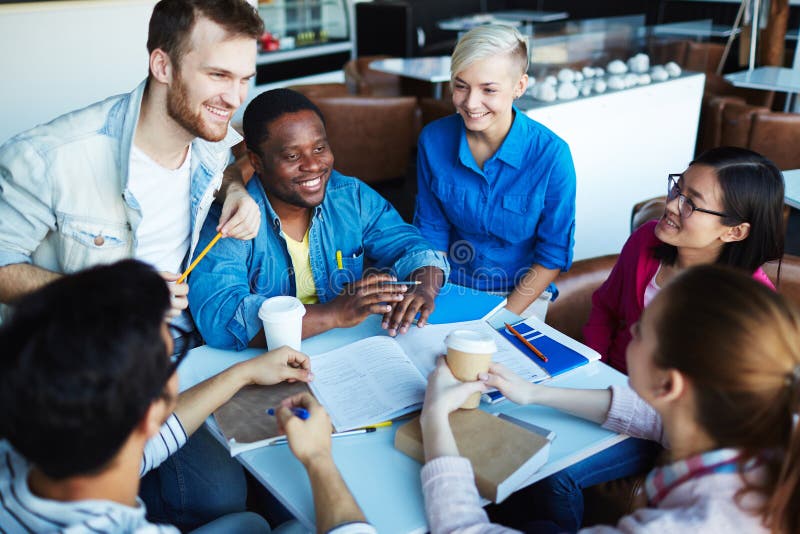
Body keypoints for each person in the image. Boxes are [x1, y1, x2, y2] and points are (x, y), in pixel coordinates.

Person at [0, 0, 266, 527]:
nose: (233, 98)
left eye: (244, 79)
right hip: (91, 372)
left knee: (228, 495)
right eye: (218, 75)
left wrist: (237, 192)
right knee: (215, 504)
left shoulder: (208, 130)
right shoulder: (49, 157)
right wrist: (114, 302)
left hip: (179, 351)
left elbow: (231, 156)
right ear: (162, 65)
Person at [419, 264, 800, 533]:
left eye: (643, 331)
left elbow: (463, 529)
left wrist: (434, 417)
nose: (632, 327)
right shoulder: (768, 429)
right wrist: (534, 392)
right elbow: (651, 416)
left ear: (668, 385)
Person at [0, 260, 315, 532]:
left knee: (252, 525)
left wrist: (243, 373)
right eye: (170, 359)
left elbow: (141, 443)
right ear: (151, 413)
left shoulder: (31, 453)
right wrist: (319, 461)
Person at [188, 89, 450, 350]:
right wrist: (333, 314)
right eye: (292, 156)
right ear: (257, 161)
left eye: (320, 148)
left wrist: (423, 288)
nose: (313, 165)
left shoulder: (350, 197)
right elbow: (221, 316)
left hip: (345, 352)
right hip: (261, 365)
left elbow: (414, 249)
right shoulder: (231, 217)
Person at [414, 24, 576, 320]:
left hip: (522, 295)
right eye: (460, 85)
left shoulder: (552, 156)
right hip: (450, 286)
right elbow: (432, 231)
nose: (470, 103)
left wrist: (502, 318)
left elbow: (552, 254)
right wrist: (427, 292)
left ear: (519, 86)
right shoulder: (433, 140)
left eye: (488, 89)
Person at [584, 146, 785, 373]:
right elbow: (604, 308)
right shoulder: (645, 240)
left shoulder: (752, 306)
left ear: (734, 232)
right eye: (677, 190)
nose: (670, 205)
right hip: (611, 380)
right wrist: (595, 370)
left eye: (691, 203)